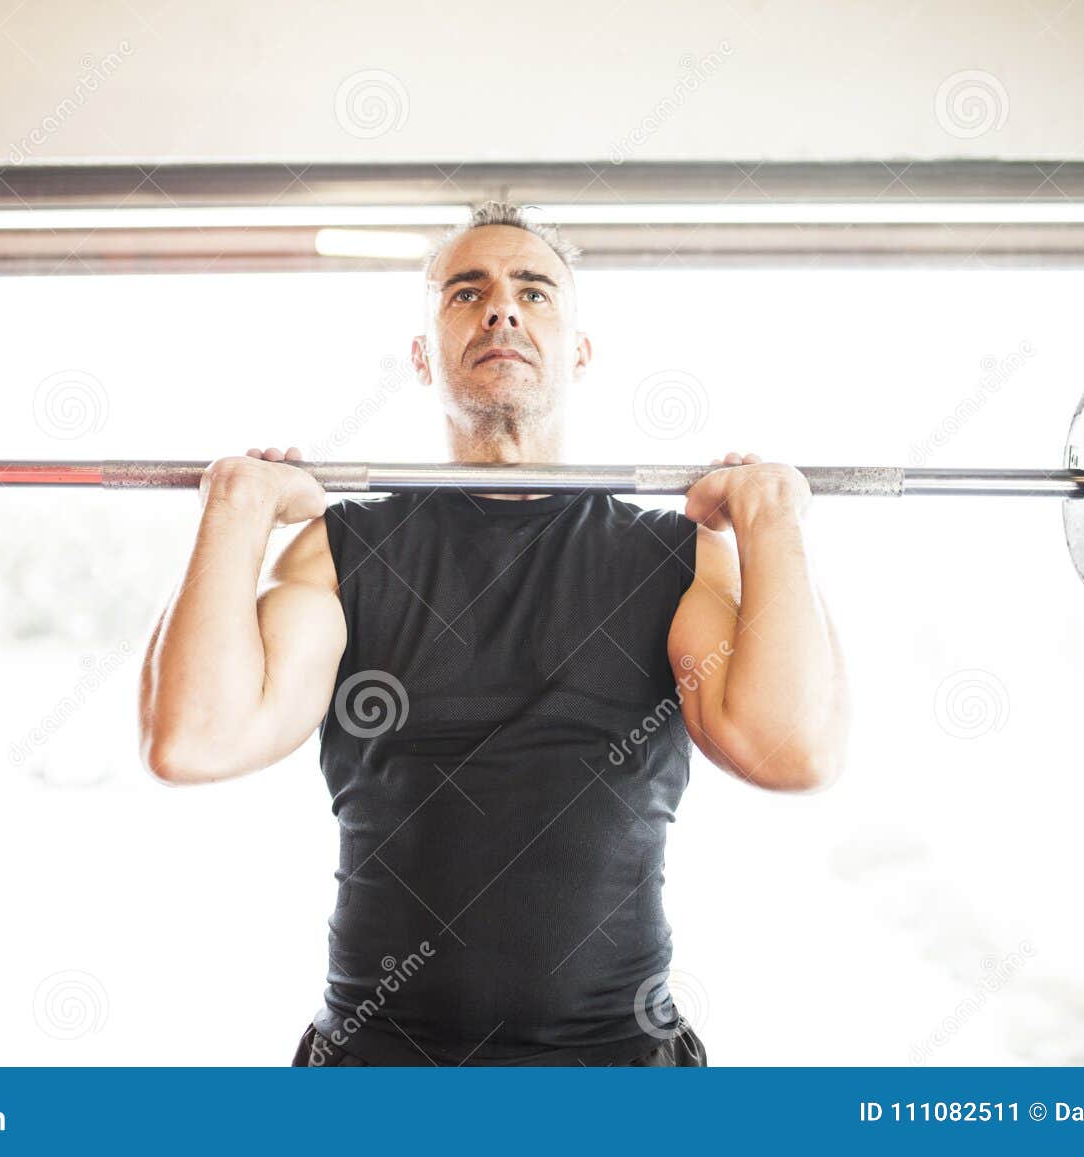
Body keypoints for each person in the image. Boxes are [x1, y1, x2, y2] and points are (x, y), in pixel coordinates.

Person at [138, 202, 850, 1066]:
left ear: (579, 352)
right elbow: (192, 739)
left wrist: (773, 520)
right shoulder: (342, 552)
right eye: (466, 291)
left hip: (619, 1068)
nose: (502, 309)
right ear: (421, 356)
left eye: (535, 292)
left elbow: (793, 752)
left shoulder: (675, 557)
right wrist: (234, 509)